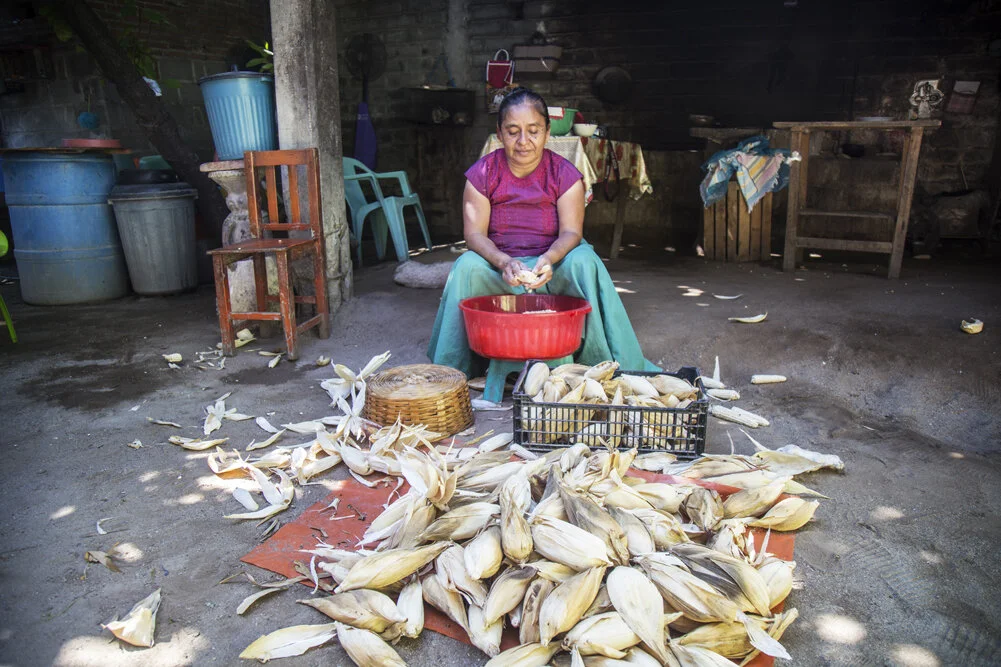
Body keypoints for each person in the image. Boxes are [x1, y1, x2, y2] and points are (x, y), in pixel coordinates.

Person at [427, 87, 658, 379]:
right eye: (513, 131)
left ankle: (599, 364)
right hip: (500, 266)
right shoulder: (483, 173)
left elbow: (572, 232)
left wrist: (549, 259)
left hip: (554, 263)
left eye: (533, 131)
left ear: (548, 133)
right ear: (499, 134)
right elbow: (474, 235)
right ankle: (453, 370)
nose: (523, 141)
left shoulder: (565, 173)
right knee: (465, 266)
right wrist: (504, 262)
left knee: (584, 261)